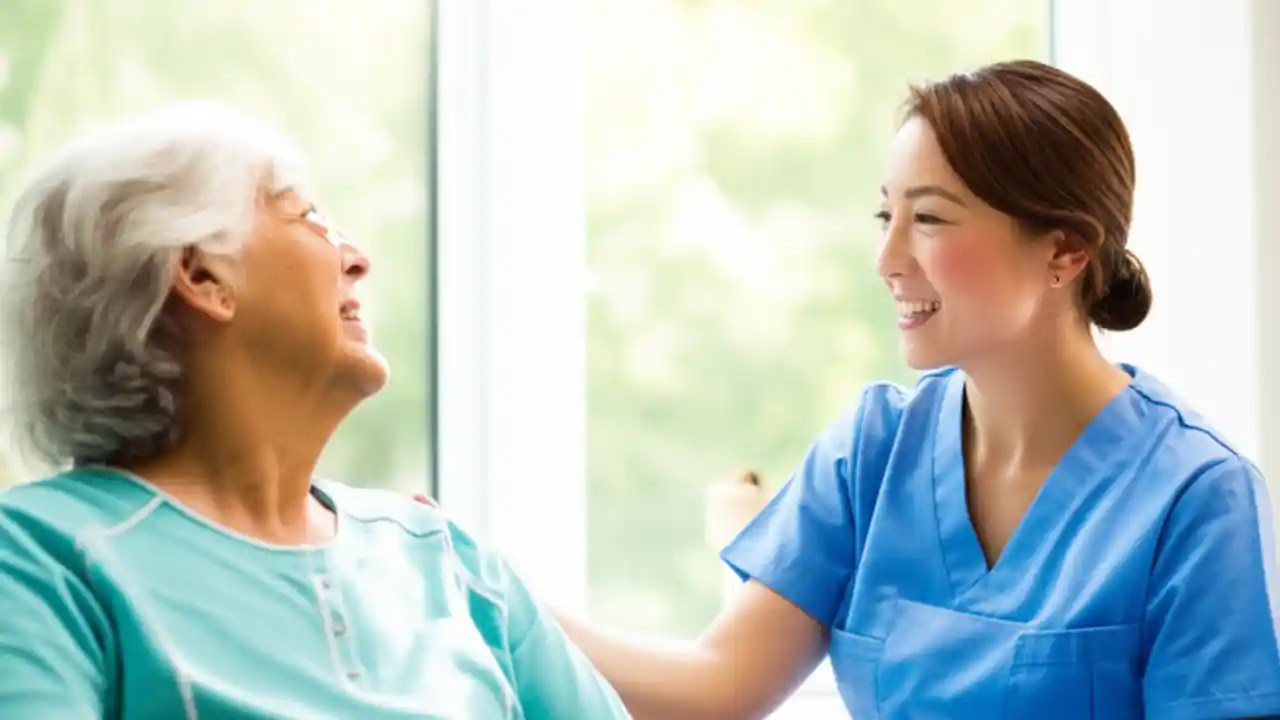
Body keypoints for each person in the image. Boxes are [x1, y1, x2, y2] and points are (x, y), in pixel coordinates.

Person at [553, 59, 1280, 719]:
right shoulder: (872, 454)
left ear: (1064, 251)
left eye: (928, 218)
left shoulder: (1195, 498)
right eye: (886, 216)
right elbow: (713, 689)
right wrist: (500, 599)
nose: (887, 258)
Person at [0, 102, 629, 720]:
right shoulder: (37, 554)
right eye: (309, 218)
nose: (357, 259)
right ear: (201, 275)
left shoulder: (448, 561)